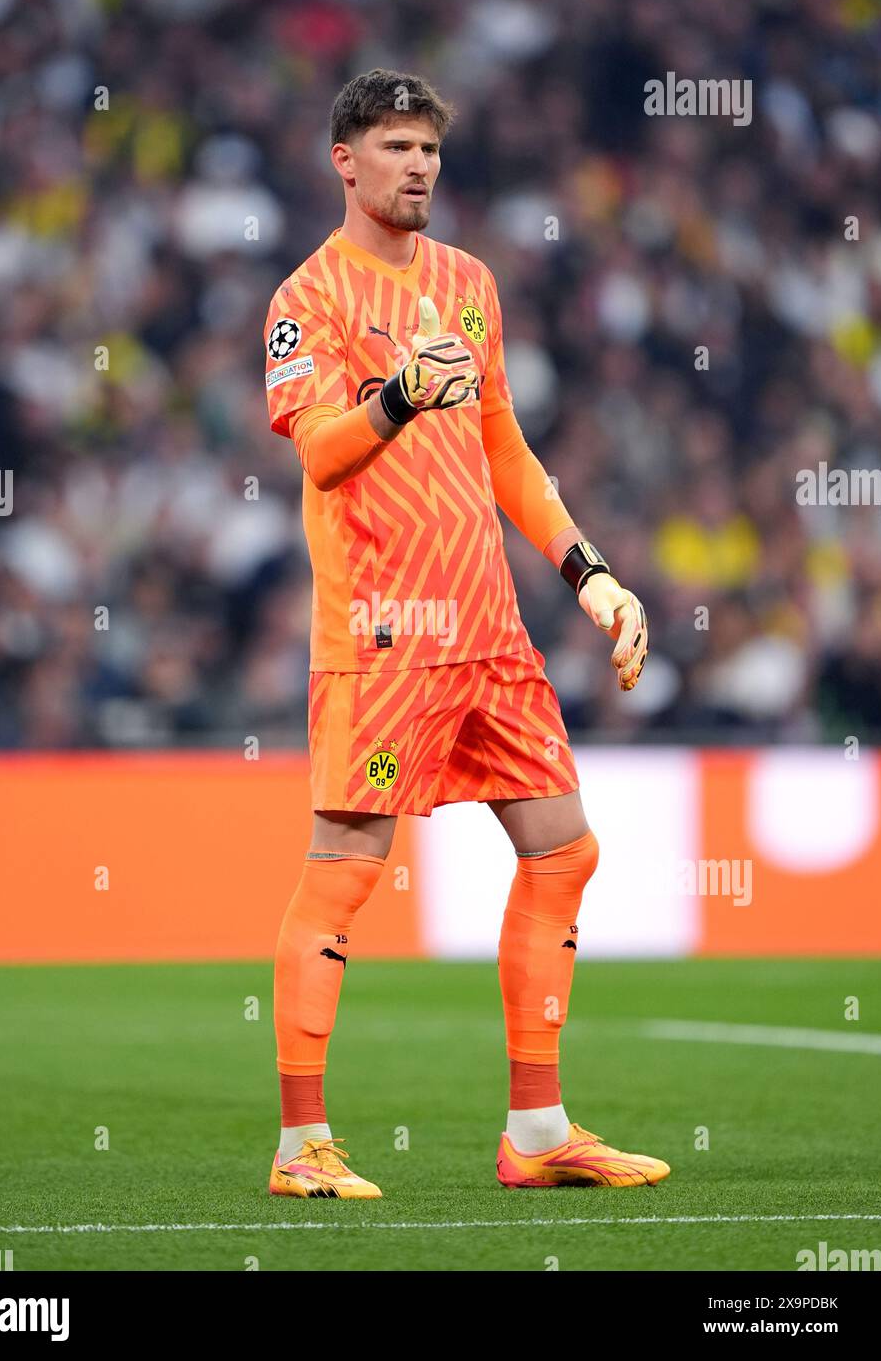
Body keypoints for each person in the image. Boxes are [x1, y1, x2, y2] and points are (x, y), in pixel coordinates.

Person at [262, 68, 666, 1197]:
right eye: (395, 147)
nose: (419, 165)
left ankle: (536, 1133)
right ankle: (301, 1148)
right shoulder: (308, 296)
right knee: (346, 869)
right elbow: (320, 452)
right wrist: (396, 394)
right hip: (385, 631)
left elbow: (505, 451)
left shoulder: (469, 283)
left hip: (489, 627)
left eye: (429, 147)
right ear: (345, 162)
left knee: (563, 848)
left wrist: (586, 571)